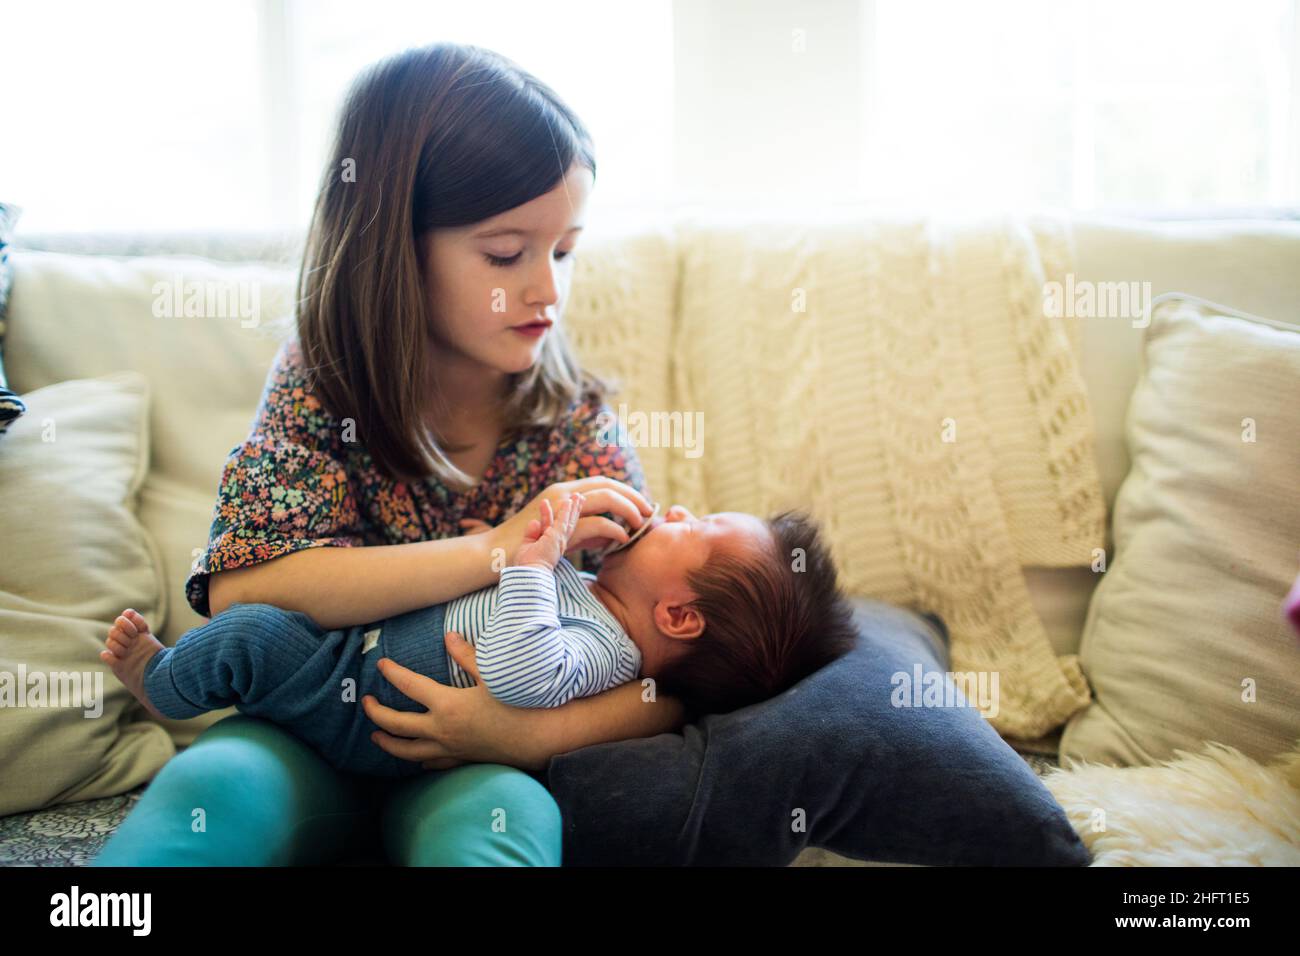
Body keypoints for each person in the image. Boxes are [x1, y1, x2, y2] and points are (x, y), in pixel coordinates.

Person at [91, 41, 678, 867]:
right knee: (211, 793)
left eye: (565, 251)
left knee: (500, 825)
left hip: (467, 759)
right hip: (299, 733)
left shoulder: (571, 420)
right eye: (508, 253)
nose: (548, 288)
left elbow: (666, 683)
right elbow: (245, 589)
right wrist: (492, 550)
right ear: (395, 245)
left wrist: (514, 733)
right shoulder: (321, 381)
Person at [101, 494, 860, 775]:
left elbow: (525, 670)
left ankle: (163, 684)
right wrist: (490, 547)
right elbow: (498, 594)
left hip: (368, 706)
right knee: (264, 622)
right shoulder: (594, 591)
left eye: (702, 528)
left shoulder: (609, 653)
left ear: (680, 616)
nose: (681, 510)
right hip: (360, 651)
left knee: (256, 638)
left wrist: (528, 562)